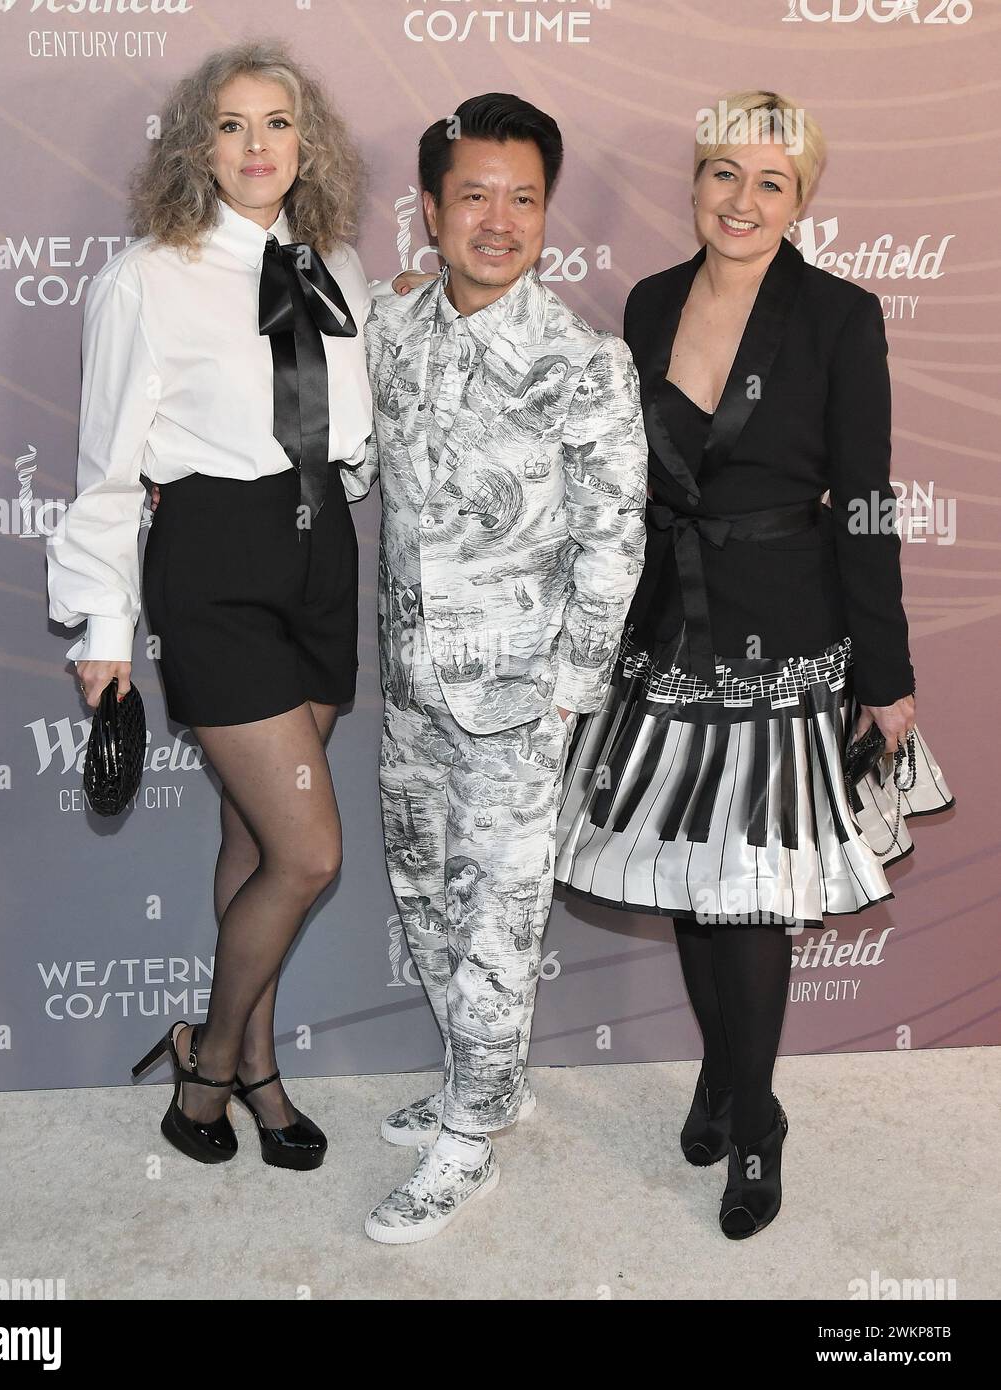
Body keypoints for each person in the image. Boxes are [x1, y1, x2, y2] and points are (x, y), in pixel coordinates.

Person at [555, 91, 954, 1239]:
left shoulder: (836, 315)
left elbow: (866, 500)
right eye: (721, 173)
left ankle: (759, 1115)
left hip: (784, 632)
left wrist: (882, 672)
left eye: (769, 182)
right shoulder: (642, 304)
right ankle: (723, 1075)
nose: (741, 200)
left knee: (748, 899)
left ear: (801, 200)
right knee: (690, 870)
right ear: (694, 184)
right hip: (666, 628)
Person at [48, 40, 409, 1170]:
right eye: (231, 125)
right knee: (307, 855)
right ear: (195, 146)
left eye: (278, 124)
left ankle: (254, 1068)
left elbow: (347, 430)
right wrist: (104, 628)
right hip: (216, 561)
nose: (257, 146)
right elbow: (106, 465)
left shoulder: (336, 265)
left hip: (320, 560)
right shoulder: (144, 276)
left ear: (309, 145)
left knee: (252, 833)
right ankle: (207, 1057)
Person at [348, 93, 648, 1244]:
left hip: (520, 701)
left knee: (496, 922)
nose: (498, 220)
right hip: (412, 686)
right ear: (427, 208)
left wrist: (565, 695)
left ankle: (468, 1133)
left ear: (544, 214)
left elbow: (613, 542)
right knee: (422, 892)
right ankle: (487, 1083)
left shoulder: (582, 361)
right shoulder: (390, 323)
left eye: (522, 198)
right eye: (472, 194)